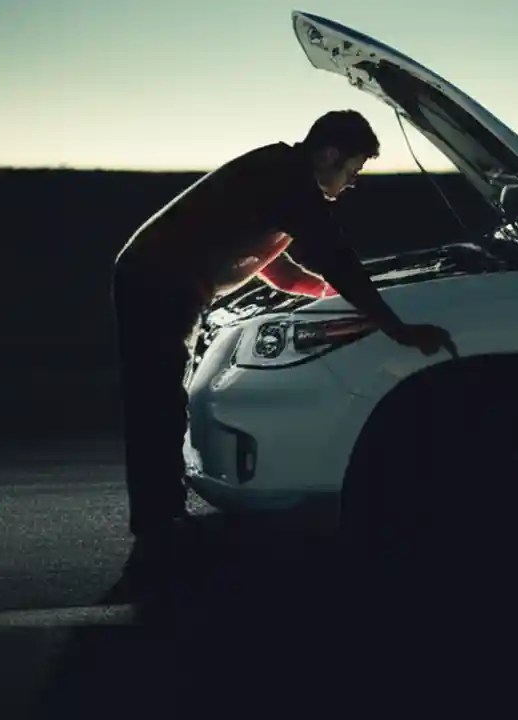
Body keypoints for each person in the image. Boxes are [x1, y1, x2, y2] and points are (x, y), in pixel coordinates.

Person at [109, 110, 454, 596]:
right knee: (157, 403)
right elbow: (335, 256)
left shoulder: (281, 177)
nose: (351, 183)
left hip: (166, 279)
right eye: (352, 170)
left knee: (162, 401)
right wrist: (395, 326)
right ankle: (157, 529)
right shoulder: (288, 179)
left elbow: (278, 262)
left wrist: (316, 291)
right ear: (330, 154)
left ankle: (163, 520)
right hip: (157, 280)